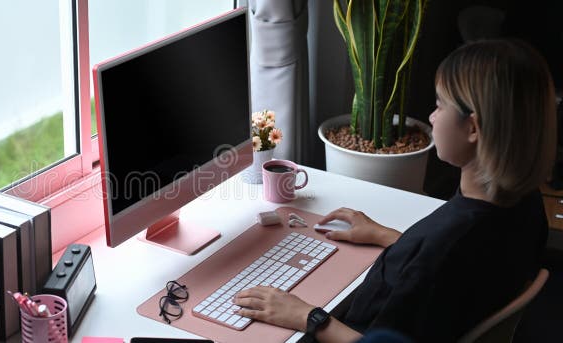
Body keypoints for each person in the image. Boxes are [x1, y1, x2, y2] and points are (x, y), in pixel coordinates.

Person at [233, 39, 556, 343]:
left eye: (439, 105)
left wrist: (307, 316)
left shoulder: (442, 247)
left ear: (473, 128)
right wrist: (388, 236)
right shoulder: (524, 204)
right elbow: (465, 270)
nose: (431, 117)